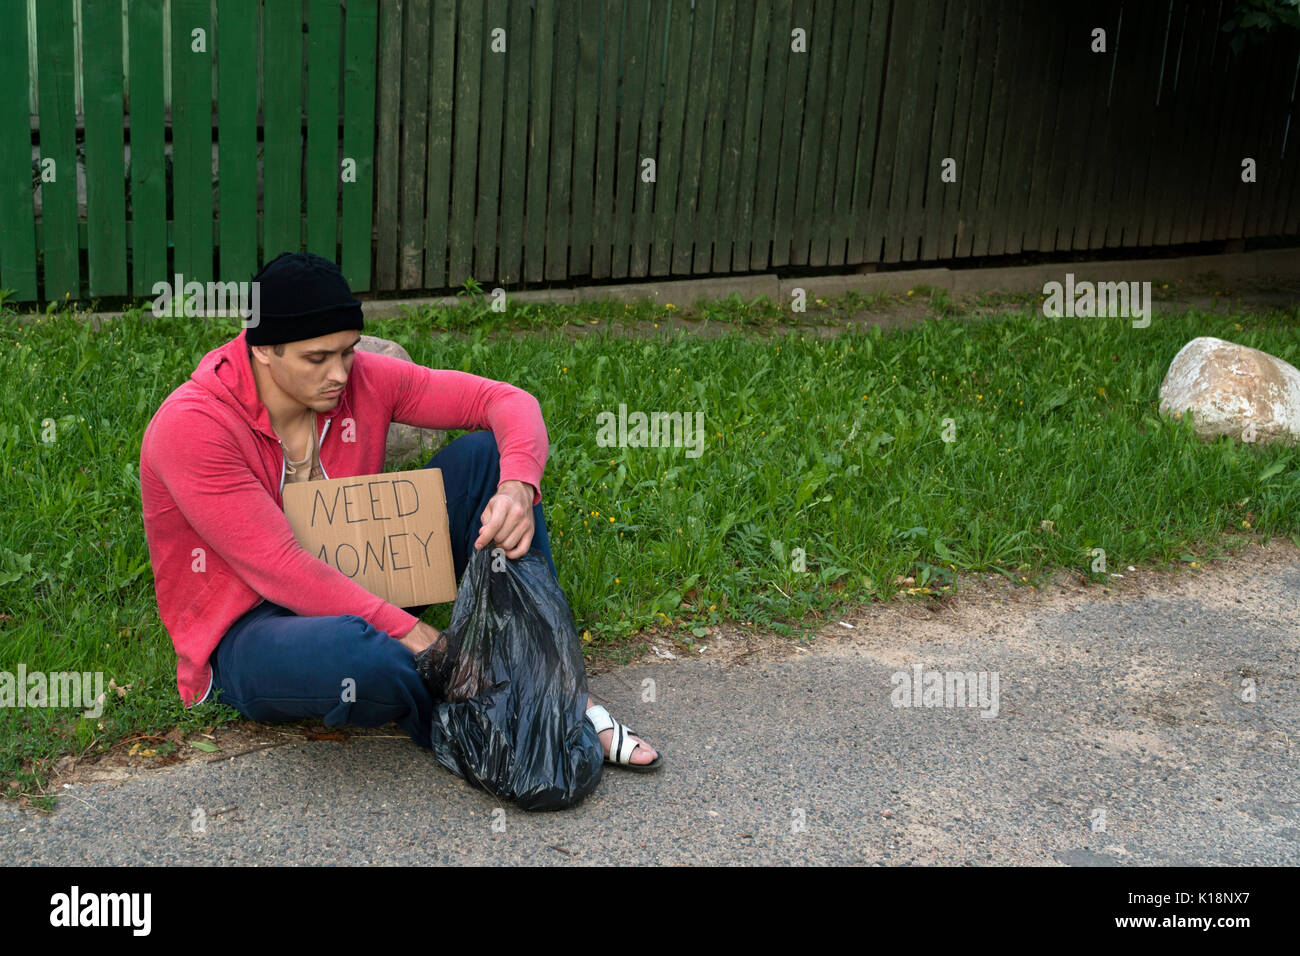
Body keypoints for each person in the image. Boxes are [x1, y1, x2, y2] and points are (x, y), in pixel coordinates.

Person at [138, 251, 660, 772]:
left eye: (347, 352)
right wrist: (418, 635)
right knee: (360, 657)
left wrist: (519, 486)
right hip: (255, 633)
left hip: (362, 582)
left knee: (488, 458)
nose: (339, 374)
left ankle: (552, 684)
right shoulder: (193, 425)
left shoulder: (361, 379)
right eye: (317, 359)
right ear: (264, 349)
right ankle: (502, 706)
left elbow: (504, 400)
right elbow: (281, 568)